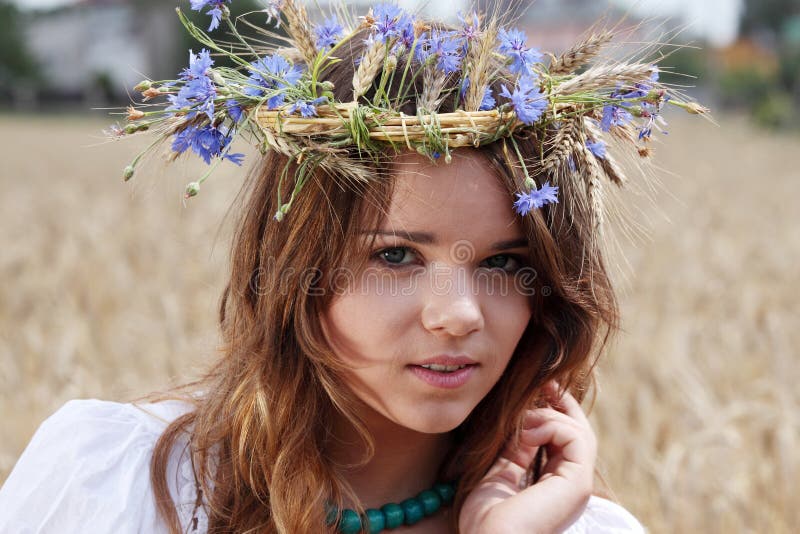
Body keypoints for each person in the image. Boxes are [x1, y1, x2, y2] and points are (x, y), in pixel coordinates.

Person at [0, 1, 705, 532]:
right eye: (396, 255)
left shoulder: (571, 526)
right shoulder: (115, 486)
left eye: (504, 262)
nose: (459, 315)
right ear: (295, 264)